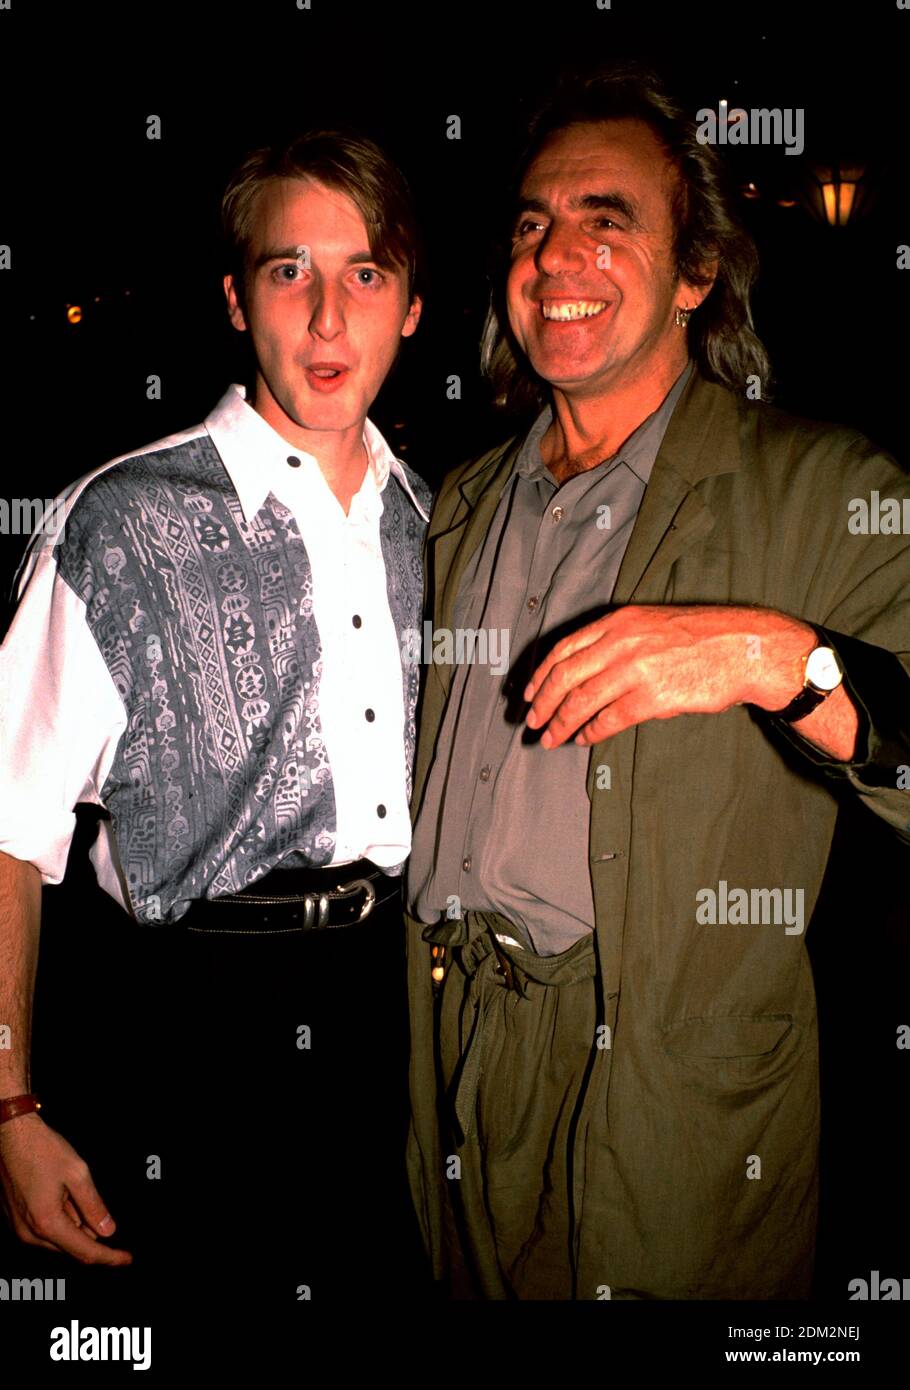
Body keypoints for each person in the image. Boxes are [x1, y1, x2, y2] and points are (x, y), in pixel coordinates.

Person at [404, 63, 910, 1300]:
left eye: (605, 220)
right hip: (449, 1051)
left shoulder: (822, 489)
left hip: (664, 1092)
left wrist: (771, 658)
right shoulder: (452, 506)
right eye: (533, 223)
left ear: (696, 273)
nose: (554, 254)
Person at [0, 127, 432, 1301]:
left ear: (413, 305)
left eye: (367, 274)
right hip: (186, 1027)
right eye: (291, 271)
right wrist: (9, 1103)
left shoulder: (438, 524)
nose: (330, 318)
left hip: (395, 1014)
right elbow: (7, 826)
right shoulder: (123, 521)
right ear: (237, 300)